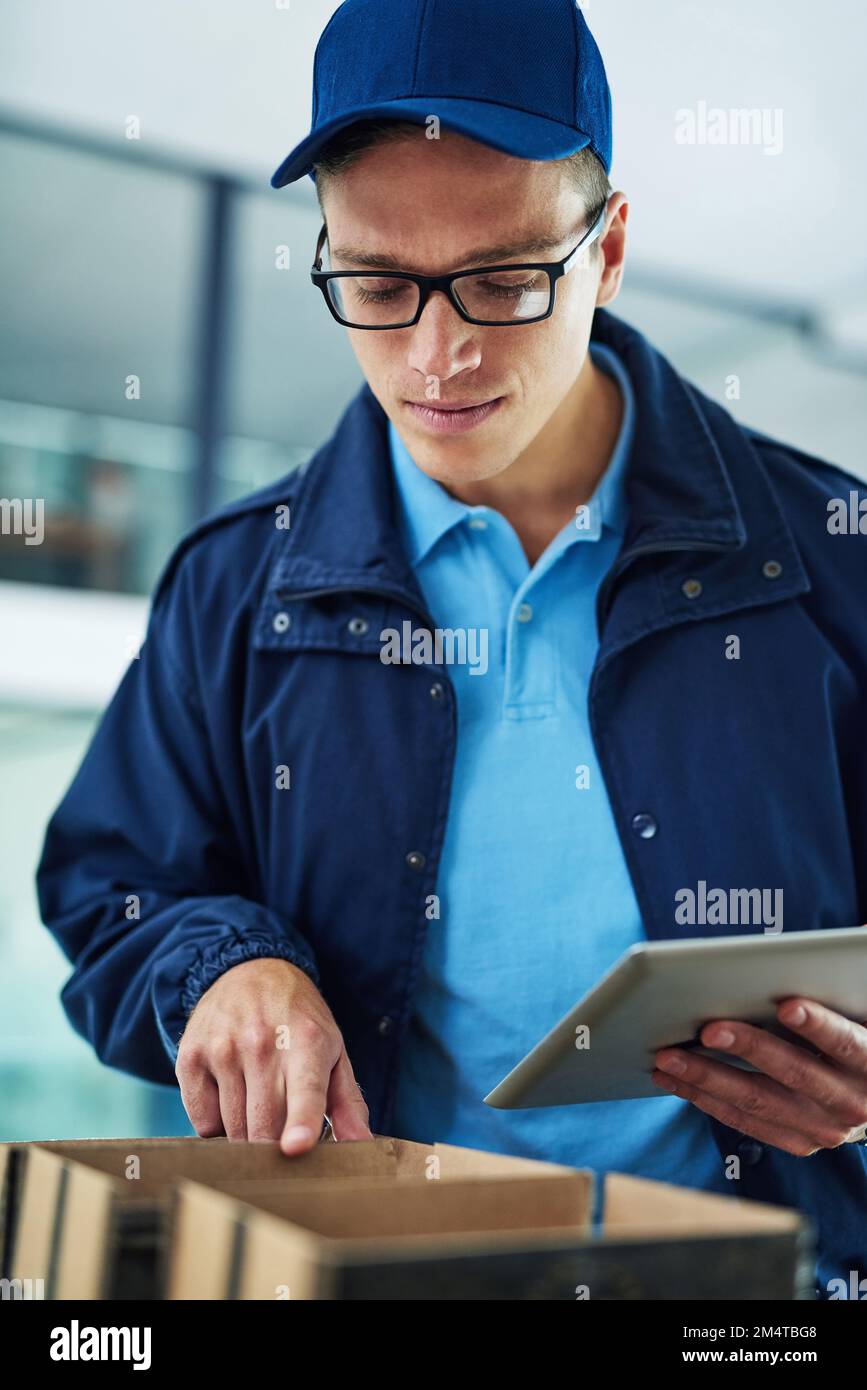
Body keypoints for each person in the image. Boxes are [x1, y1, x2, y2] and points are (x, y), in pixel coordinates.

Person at [37, 0, 867, 1296]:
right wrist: (222, 964)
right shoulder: (233, 589)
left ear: (613, 249)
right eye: (376, 285)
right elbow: (110, 885)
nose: (440, 355)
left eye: (502, 280)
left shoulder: (836, 559)